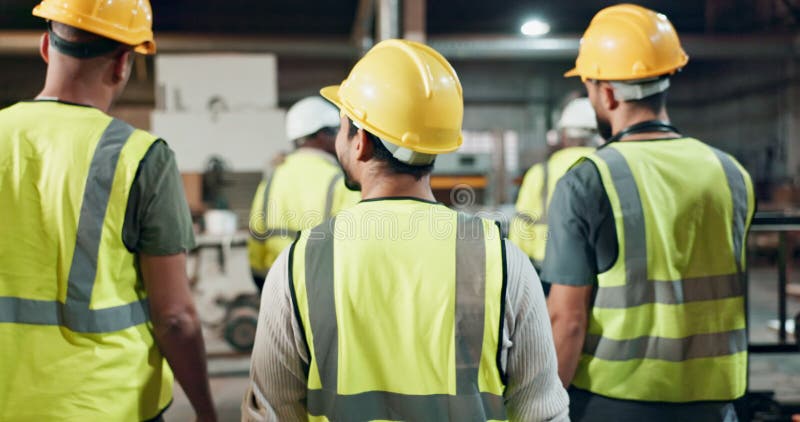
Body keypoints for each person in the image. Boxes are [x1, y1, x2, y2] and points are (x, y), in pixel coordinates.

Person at [242, 39, 569, 421]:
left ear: (361, 142)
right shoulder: (503, 260)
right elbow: (542, 413)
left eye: (344, 125)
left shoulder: (297, 266)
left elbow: (269, 413)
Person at [0, 1, 216, 420]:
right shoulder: (140, 157)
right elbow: (175, 317)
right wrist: (206, 411)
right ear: (121, 64)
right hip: (109, 403)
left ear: (46, 46)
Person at [542, 4, 755, 422]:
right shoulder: (731, 173)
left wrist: (540, 409)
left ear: (607, 93)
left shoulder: (589, 179)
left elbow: (567, 321)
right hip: (715, 406)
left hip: (614, 405)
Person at [248, 96, 360, 291]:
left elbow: (256, 239)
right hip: (321, 289)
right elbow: (355, 244)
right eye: (336, 131)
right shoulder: (339, 180)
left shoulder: (272, 178)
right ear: (322, 135)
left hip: (277, 285)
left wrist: (265, 285)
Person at [510, 97, 598, 274]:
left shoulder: (539, 172)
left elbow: (521, 226)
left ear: (563, 135)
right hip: (598, 266)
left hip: (545, 266)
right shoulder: (606, 167)